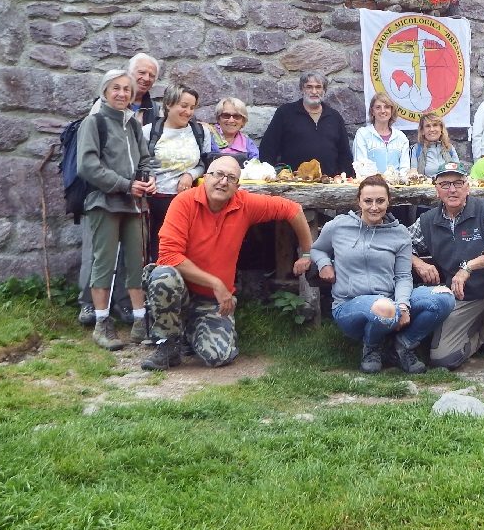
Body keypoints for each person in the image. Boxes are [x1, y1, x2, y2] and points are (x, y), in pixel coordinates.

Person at [142, 154, 315, 370]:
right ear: (205, 177)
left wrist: (307, 253)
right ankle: (166, 344)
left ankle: (189, 331)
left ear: (238, 185)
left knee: (219, 357)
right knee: (163, 275)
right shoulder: (183, 202)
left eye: (231, 178)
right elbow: (168, 256)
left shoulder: (244, 203)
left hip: (212, 302)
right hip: (183, 289)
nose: (223, 182)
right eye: (218, 174)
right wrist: (216, 283)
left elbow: (293, 209)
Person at [310, 175, 456, 374]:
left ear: (389, 202)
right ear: (358, 201)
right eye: (368, 201)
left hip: (390, 300)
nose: (374, 207)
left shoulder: (400, 233)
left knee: (444, 298)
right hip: (350, 305)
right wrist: (324, 264)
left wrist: (403, 305)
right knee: (385, 307)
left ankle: (402, 345)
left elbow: (403, 276)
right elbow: (317, 249)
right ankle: (372, 348)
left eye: (380, 201)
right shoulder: (338, 226)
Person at [409, 162, 484, 383]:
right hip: (465, 297)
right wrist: (418, 262)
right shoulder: (427, 221)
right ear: (436, 189)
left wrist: (468, 267)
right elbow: (400, 245)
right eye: (445, 184)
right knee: (442, 358)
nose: (452, 190)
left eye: (458, 183)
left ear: (468, 186)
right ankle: (482, 332)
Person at [78, 52, 161, 326]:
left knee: (136, 262)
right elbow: (88, 165)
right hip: (104, 201)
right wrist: (126, 185)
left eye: (127, 89)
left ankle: (138, 320)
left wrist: (147, 178)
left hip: (134, 203)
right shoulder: (94, 121)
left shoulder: (134, 123)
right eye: (117, 88)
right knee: (103, 260)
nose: (123, 93)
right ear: (105, 91)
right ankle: (99, 319)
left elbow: (145, 157)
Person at [143, 83, 218, 262]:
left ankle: (190, 287)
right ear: (169, 104)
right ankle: (160, 283)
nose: (188, 112)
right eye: (183, 106)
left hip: (191, 200)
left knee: (192, 248)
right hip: (158, 200)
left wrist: (190, 175)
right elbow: (141, 163)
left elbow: (204, 164)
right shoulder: (149, 132)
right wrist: (149, 175)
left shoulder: (201, 132)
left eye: (192, 107)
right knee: (161, 247)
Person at [260, 72, 353, 176]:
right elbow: (268, 148)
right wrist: (268, 176)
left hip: (328, 183)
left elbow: (344, 154)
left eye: (318, 87)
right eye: (309, 87)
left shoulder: (335, 117)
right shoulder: (285, 113)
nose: (314, 91)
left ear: (324, 90)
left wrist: (348, 178)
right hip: (293, 183)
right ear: (302, 89)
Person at [352, 91, 411, 175]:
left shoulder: (401, 137)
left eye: (387, 107)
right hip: (371, 185)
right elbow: (361, 165)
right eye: (378, 107)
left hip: (397, 186)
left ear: (391, 110)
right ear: (372, 111)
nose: (383, 111)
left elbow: (405, 169)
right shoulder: (362, 134)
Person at [212, 96, 259, 162]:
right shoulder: (208, 136)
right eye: (226, 115)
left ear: (243, 121)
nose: (231, 120)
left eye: (236, 116)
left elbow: (254, 164)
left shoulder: (247, 143)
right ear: (218, 118)